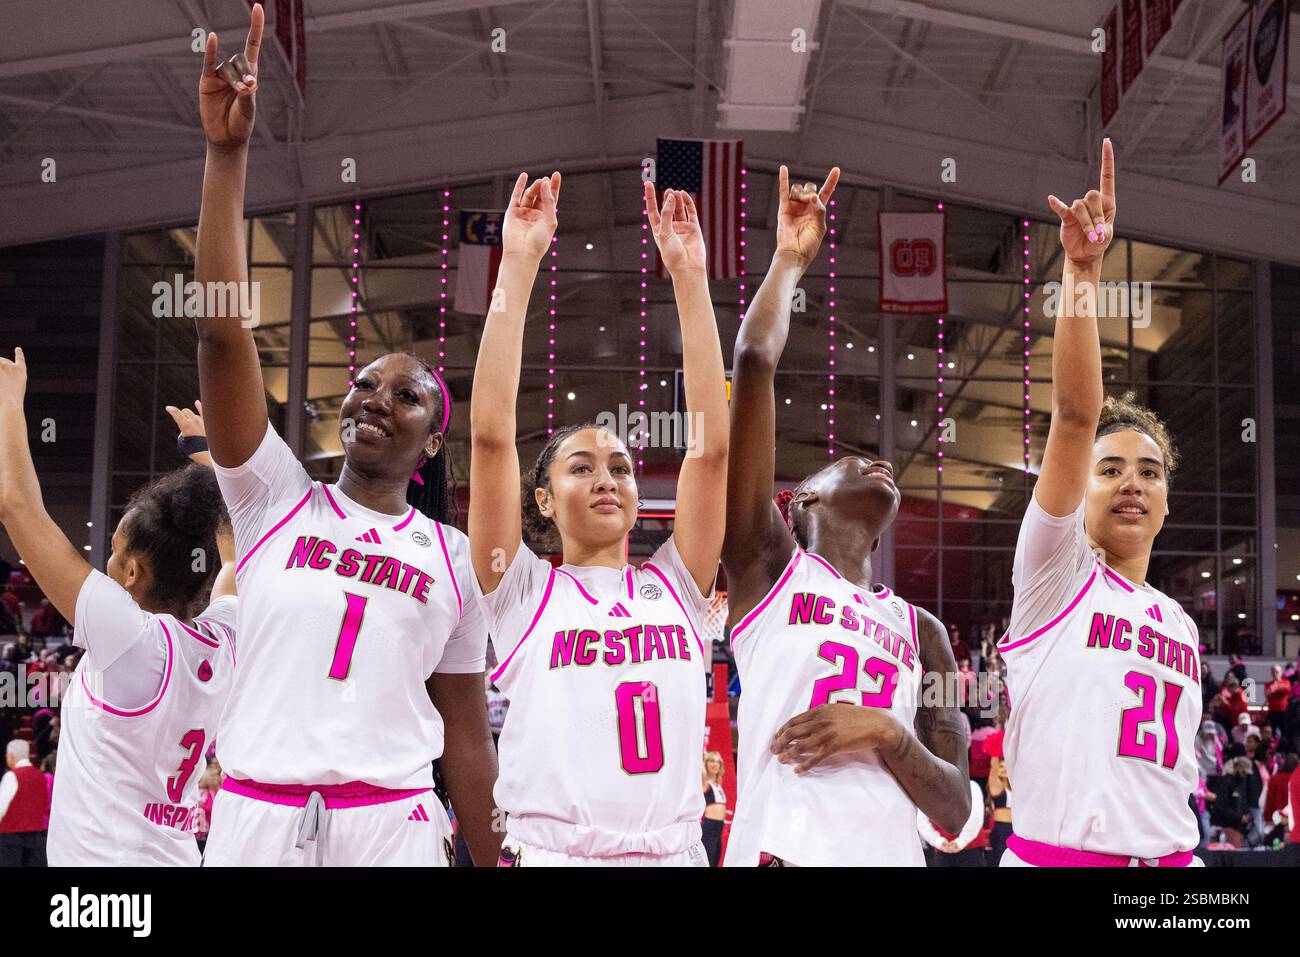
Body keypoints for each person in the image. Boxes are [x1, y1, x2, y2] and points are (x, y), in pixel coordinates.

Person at [192, 4, 496, 867]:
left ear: (432, 442)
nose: (372, 396)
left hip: (393, 826)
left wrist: (496, 858)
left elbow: (467, 743)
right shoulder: (273, 497)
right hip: (255, 817)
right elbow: (220, 334)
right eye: (364, 381)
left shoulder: (451, 558)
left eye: (405, 395)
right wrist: (226, 156)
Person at [472, 175, 728, 867]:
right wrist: (519, 263)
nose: (607, 478)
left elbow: (711, 447)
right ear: (545, 500)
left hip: (673, 852)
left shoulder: (676, 584)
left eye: (618, 466)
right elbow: (492, 438)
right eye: (581, 467)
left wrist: (688, 273)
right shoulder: (520, 590)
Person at [720, 165, 970, 867]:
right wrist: (789, 260)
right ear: (803, 498)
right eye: (851, 458)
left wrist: (890, 733)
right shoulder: (767, 568)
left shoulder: (925, 632)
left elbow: (955, 807)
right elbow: (752, 361)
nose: (877, 460)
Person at [998, 140, 1202, 868]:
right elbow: (1076, 416)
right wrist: (1082, 276)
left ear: (1167, 501)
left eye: (1149, 472)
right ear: (1076, 490)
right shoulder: (1057, 574)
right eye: (1110, 469)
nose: (1132, 483)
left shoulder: (1179, 622)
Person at [1, 363, 237, 866]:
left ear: (130, 572)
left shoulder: (131, 640)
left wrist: (9, 406)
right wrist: (213, 469)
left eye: (111, 551)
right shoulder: (226, 635)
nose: (103, 564)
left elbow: (17, 506)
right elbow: (236, 553)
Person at [918, 780, 989, 867]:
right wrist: (937, 840)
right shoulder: (927, 789)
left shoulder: (971, 786)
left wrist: (962, 841)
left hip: (970, 850)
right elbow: (921, 820)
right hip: (943, 850)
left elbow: (976, 816)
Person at [0, 740, 48, 866]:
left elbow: (1, 808)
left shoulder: (12, 776)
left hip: (11, 837)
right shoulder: (41, 776)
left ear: (10, 755)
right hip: (35, 836)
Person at [701, 751, 727, 867]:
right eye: (712, 761)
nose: (715, 764)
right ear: (706, 763)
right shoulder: (704, 783)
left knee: (715, 859)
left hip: (719, 826)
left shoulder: (717, 784)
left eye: (718, 762)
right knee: (707, 859)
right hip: (709, 827)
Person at [1266, 664, 1290, 731]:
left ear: (1281, 672)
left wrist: (1275, 687)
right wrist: (1279, 686)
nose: (1275, 673)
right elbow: (1267, 693)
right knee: (1271, 731)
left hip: (1283, 711)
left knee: (1285, 731)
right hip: (1272, 711)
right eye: (1273, 671)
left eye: (1277, 671)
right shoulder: (1268, 684)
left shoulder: (1286, 682)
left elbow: (1287, 689)